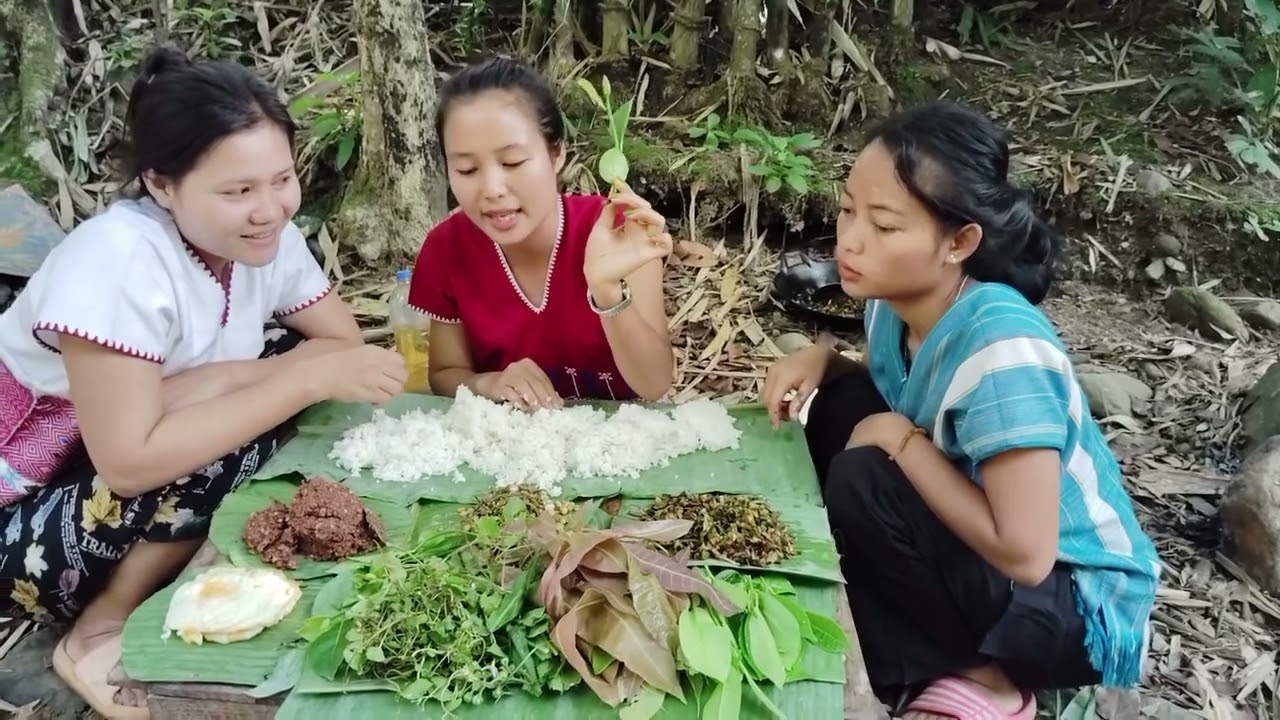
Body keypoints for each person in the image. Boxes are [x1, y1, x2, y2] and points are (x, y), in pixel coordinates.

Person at [0, 47, 407, 719]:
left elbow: (339, 341)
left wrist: (241, 380)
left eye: (281, 179)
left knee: (281, 382)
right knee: (230, 431)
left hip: (119, 443)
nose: (270, 208)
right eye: (237, 191)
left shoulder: (260, 237)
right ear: (162, 186)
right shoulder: (118, 261)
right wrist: (289, 381)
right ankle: (98, 628)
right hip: (33, 513)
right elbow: (130, 463)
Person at [763, 102, 1161, 720]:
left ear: (960, 242)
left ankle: (987, 683)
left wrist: (902, 444)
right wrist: (828, 362)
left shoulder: (1002, 347)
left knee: (865, 473)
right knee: (844, 408)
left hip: (1070, 604)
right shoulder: (892, 303)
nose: (851, 240)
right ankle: (913, 638)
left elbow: (1027, 552)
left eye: (886, 226)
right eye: (847, 210)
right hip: (999, 556)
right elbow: (908, 389)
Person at [408, 56, 676, 409]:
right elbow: (445, 373)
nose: (492, 188)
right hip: (514, 451)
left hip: (622, 446)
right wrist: (490, 383)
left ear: (556, 154)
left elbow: (655, 384)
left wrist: (608, 291)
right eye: (467, 169)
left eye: (513, 163)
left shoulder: (617, 231)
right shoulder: (447, 248)